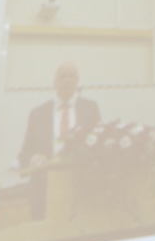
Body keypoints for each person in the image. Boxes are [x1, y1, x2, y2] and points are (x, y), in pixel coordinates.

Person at [17, 61, 101, 217]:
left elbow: (98, 147)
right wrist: (34, 158)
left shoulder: (91, 109)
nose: (66, 80)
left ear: (78, 81)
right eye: (62, 77)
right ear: (54, 83)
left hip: (81, 188)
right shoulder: (38, 114)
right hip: (44, 191)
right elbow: (24, 154)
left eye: (71, 76)